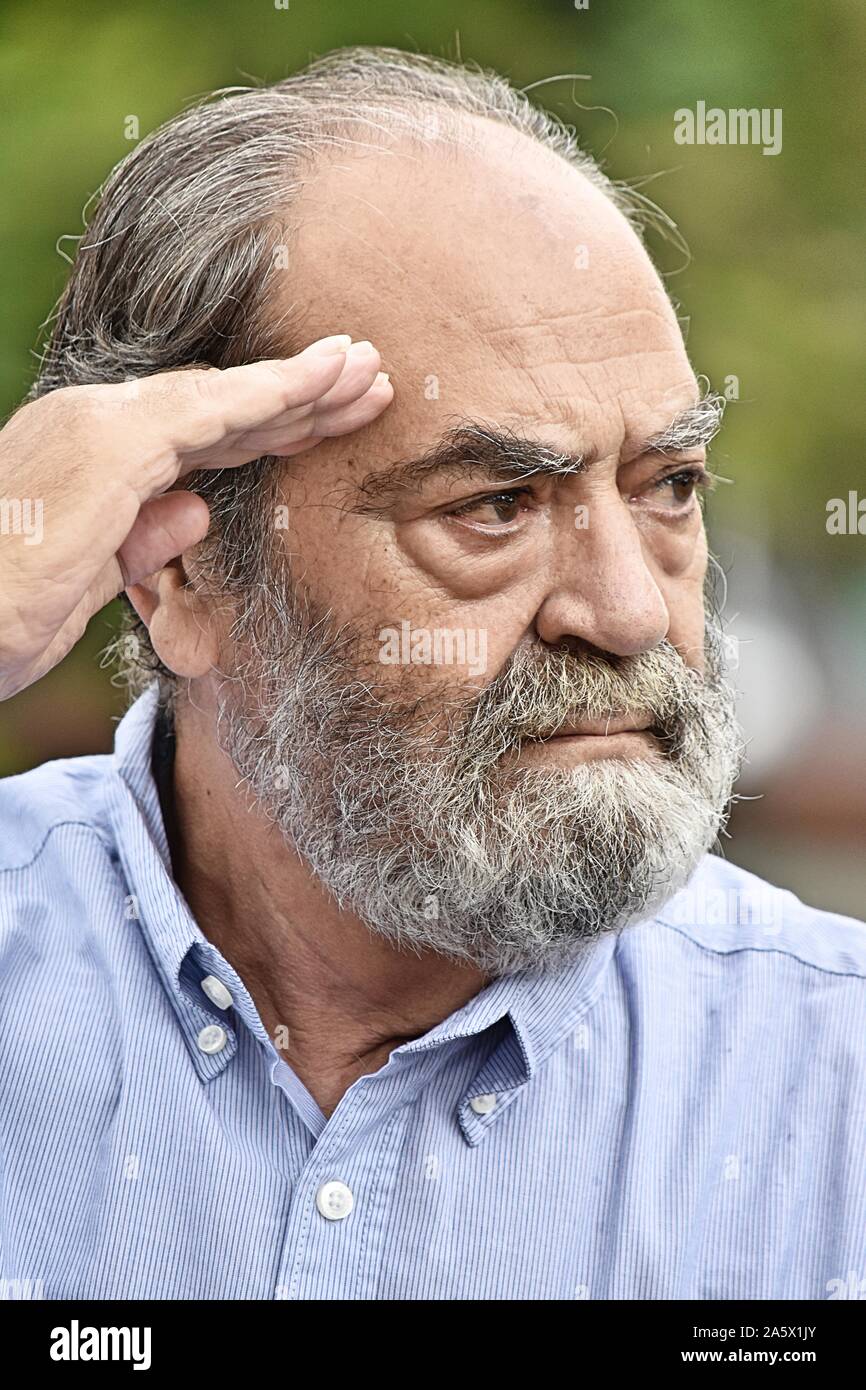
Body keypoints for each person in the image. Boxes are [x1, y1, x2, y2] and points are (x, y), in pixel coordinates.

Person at [0, 46, 862, 1301]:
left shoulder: (828, 1076)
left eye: (666, 487)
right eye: (495, 506)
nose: (627, 613)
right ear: (183, 577)